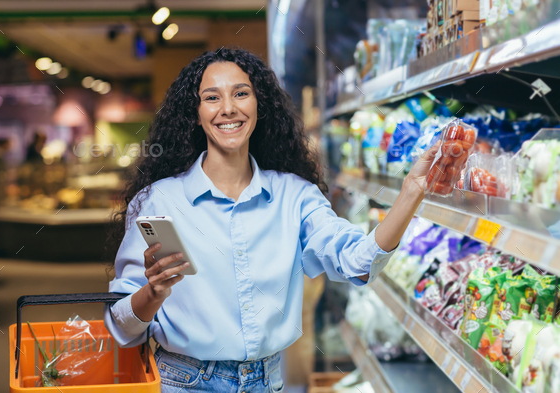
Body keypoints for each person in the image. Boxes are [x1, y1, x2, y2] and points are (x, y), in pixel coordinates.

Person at [104, 48, 437, 393]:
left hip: (269, 382)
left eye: (241, 93)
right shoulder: (159, 201)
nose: (228, 108)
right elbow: (121, 327)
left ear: (258, 105)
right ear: (196, 113)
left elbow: (358, 263)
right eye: (212, 97)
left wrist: (411, 192)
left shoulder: (294, 196)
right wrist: (153, 294)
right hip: (184, 382)